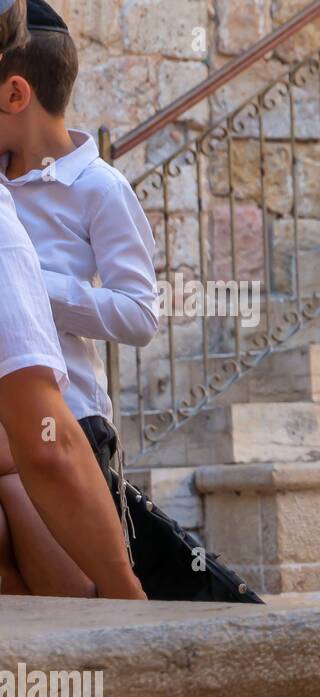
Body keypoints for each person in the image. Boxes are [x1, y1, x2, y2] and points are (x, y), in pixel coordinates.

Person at [0, 0, 142, 600]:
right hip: (16, 422)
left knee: (69, 596)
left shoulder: (99, 186)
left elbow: (140, 312)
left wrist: (36, 287)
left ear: (15, 95)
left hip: (70, 418)